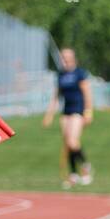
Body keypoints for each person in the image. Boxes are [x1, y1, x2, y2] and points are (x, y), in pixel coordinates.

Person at [43, 47, 93, 186]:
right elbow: (56, 97)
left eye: (66, 57)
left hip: (78, 110)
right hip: (66, 111)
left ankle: (85, 166)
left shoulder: (80, 74)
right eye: (62, 57)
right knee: (67, 143)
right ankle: (73, 174)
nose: (64, 59)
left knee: (73, 141)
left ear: (72, 57)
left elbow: (87, 93)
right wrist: (49, 115)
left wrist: (88, 111)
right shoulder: (60, 75)